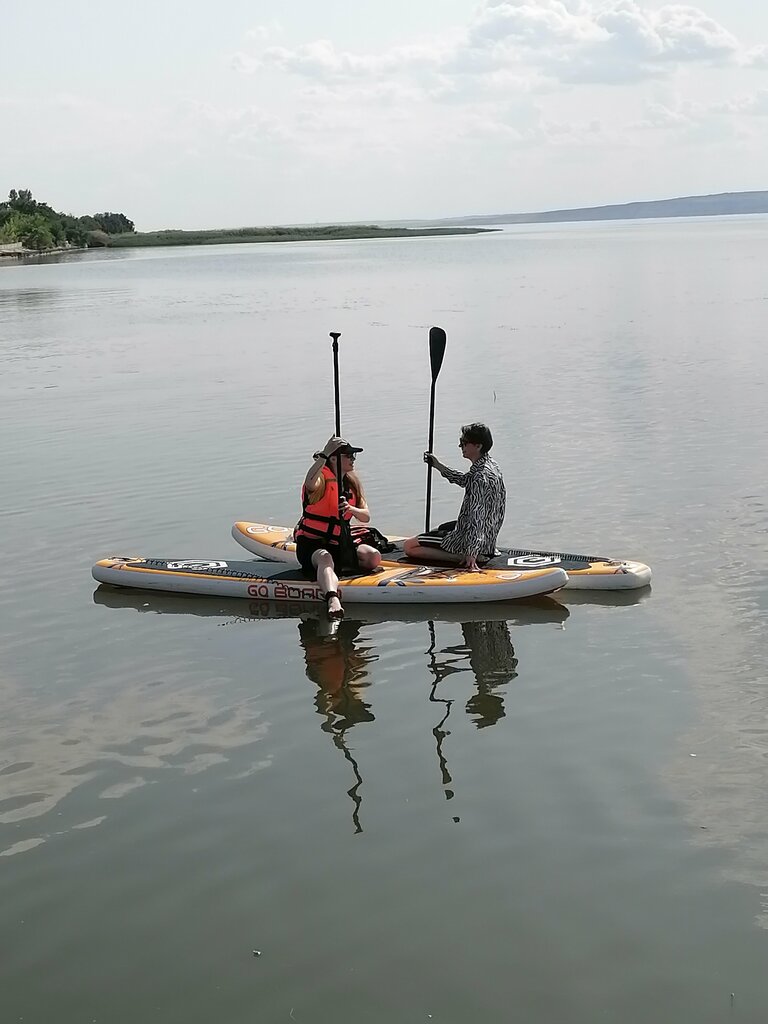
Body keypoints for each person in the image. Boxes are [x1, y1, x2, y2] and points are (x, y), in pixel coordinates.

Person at [295, 436, 382, 619]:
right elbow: (310, 482)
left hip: (340, 542)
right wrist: (325, 453)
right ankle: (332, 598)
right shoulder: (321, 480)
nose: (352, 459)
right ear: (334, 459)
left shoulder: (352, 484)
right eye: (348, 456)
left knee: (373, 556)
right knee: (325, 558)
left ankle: (338, 570)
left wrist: (351, 509)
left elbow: (366, 516)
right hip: (312, 544)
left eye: (353, 456)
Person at [403, 422, 506, 572]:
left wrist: (471, 551)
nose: (460, 446)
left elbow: (476, 517)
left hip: (474, 540)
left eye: (464, 443)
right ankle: (472, 550)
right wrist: (438, 466)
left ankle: (463, 557)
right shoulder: (491, 466)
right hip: (488, 537)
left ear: (478, 446)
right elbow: (464, 480)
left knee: (409, 546)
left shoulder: (478, 477)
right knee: (442, 528)